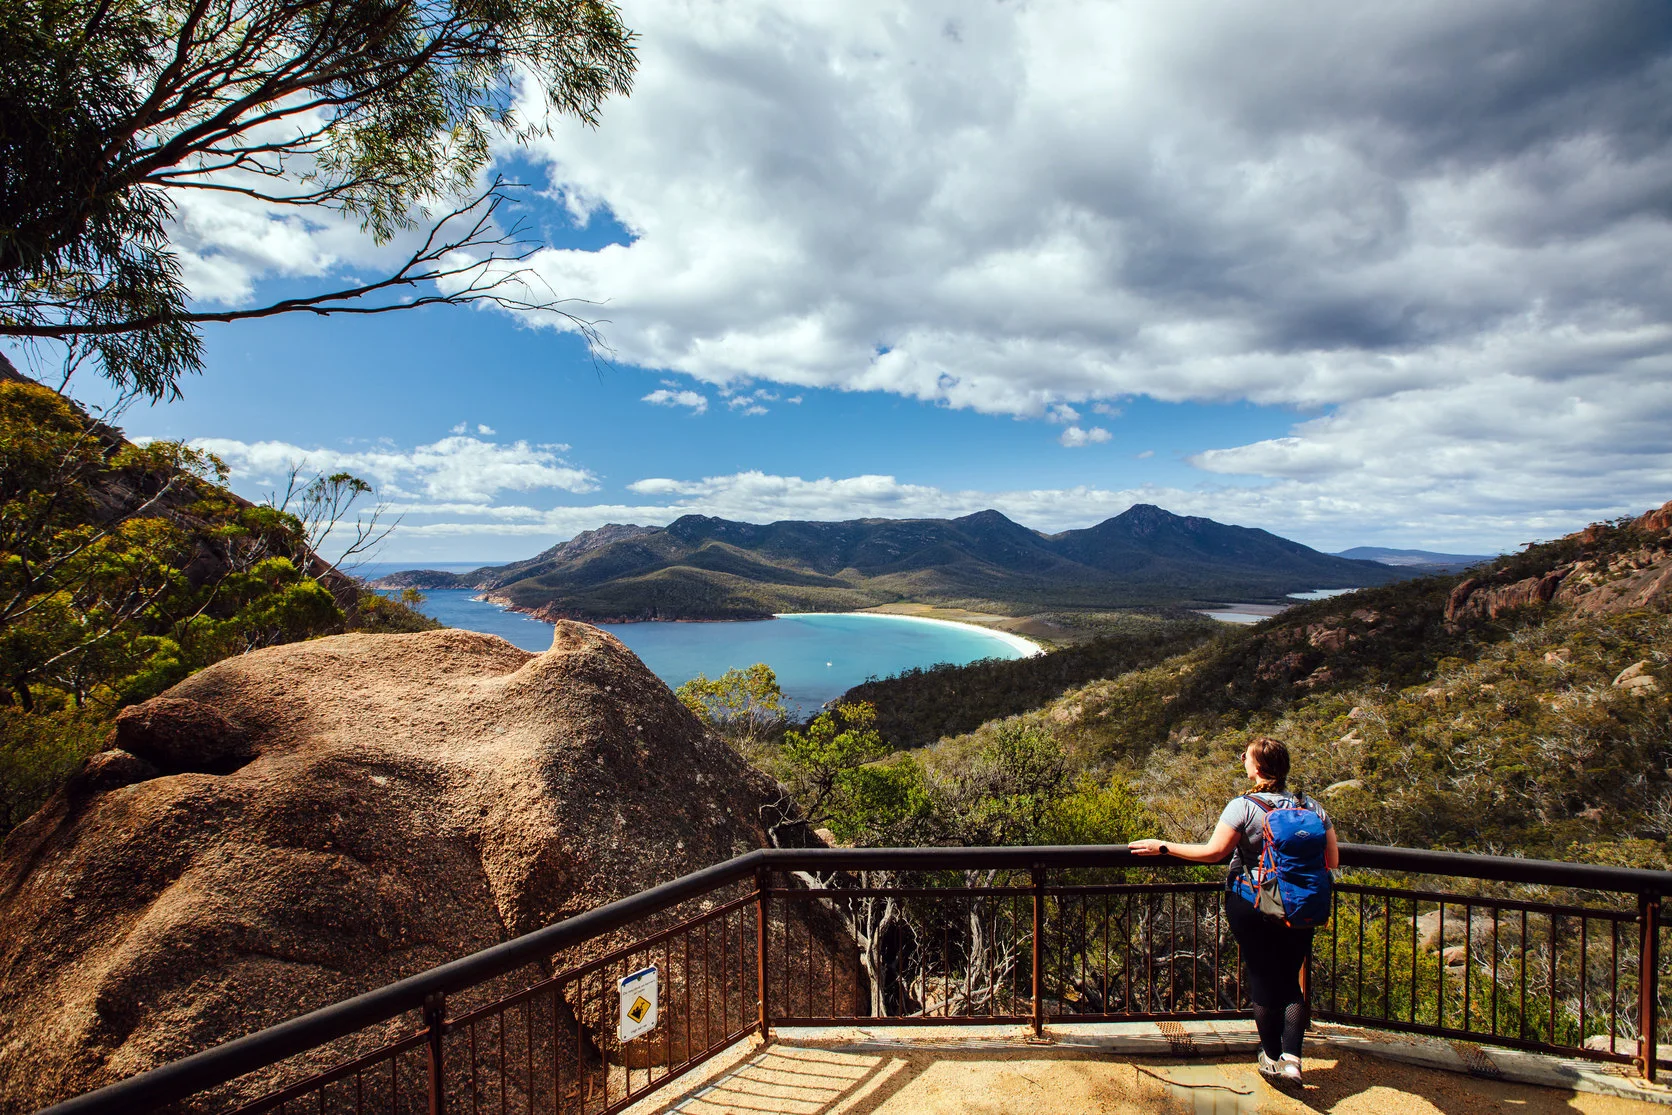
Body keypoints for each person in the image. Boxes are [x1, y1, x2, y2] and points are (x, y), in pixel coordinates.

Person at [1129, 736, 1338, 1085]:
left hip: (1252, 903)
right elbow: (1331, 860)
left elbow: (1214, 852)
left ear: (1257, 767)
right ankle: (1293, 1061)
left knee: (1262, 980)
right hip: (1301, 905)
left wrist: (1163, 847)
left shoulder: (1244, 806)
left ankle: (1271, 1056)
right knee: (1290, 983)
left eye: (1246, 757)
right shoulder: (1312, 808)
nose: (1243, 760)